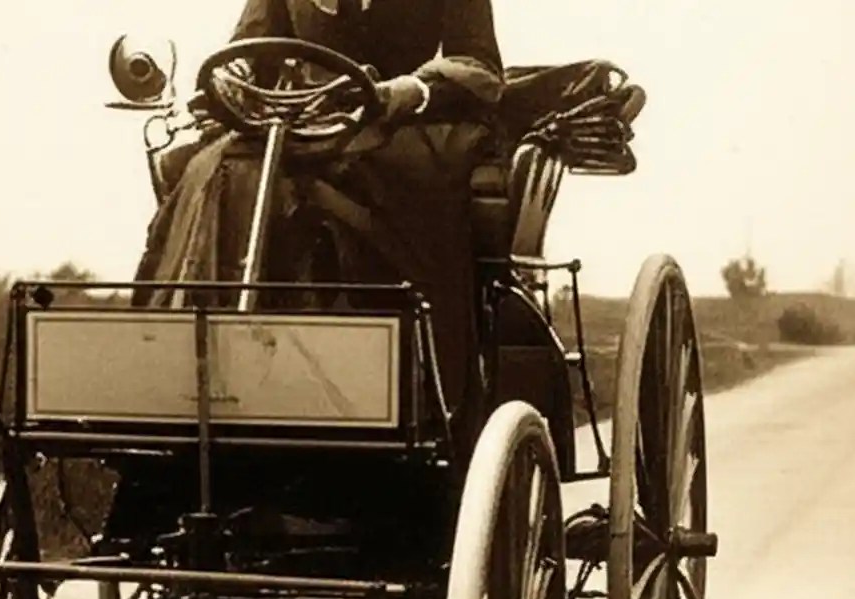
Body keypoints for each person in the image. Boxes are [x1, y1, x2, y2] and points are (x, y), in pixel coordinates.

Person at [129, 0, 644, 470]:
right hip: (297, 125)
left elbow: (479, 66)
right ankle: (183, 380)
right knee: (217, 171)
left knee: (370, 194)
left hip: (402, 129)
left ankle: (406, 391)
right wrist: (233, 80)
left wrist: (410, 90)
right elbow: (249, 49)